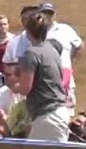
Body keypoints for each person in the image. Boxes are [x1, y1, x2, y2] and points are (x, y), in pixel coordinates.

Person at [12, 10, 70, 142]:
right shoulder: (52, 50)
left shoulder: (31, 53)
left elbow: (25, 88)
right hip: (58, 112)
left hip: (48, 116)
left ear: (28, 31)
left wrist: (12, 84)